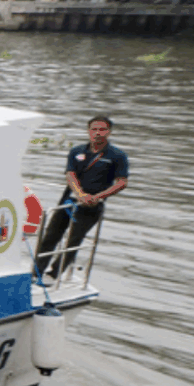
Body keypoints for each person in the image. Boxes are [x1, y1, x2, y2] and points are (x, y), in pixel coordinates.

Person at [35, 115, 130, 280]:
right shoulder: (77, 151)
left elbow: (121, 182)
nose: (98, 133)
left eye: (102, 129)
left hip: (92, 205)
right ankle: (36, 271)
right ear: (88, 131)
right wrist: (80, 193)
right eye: (94, 129)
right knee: (51, 235)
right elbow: (70, 174)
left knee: (73, 240)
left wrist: (97, 197)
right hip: (69, 200)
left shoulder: (117, 156)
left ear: (109, 132)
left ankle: (54, 274)